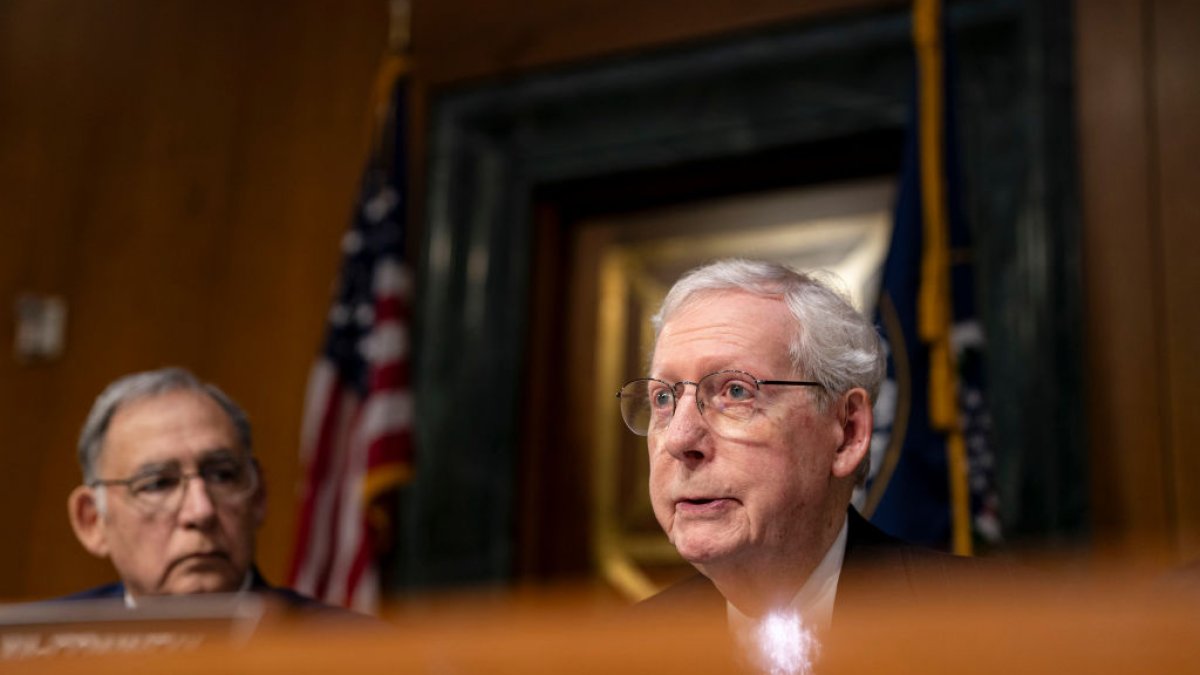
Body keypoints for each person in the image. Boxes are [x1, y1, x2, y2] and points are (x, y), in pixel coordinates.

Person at [619, 259, 993, 655]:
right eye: (663, 398)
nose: (679, 438)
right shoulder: (623, 650)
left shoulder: (989, 623)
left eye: (736, 392)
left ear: (847, 432)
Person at [62, 367, 349, 616]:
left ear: (258, 496)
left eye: (222, 476)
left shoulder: (356, 653)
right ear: (93, 521)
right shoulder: (35, 653)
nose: (201, 511)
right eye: (158, 484)